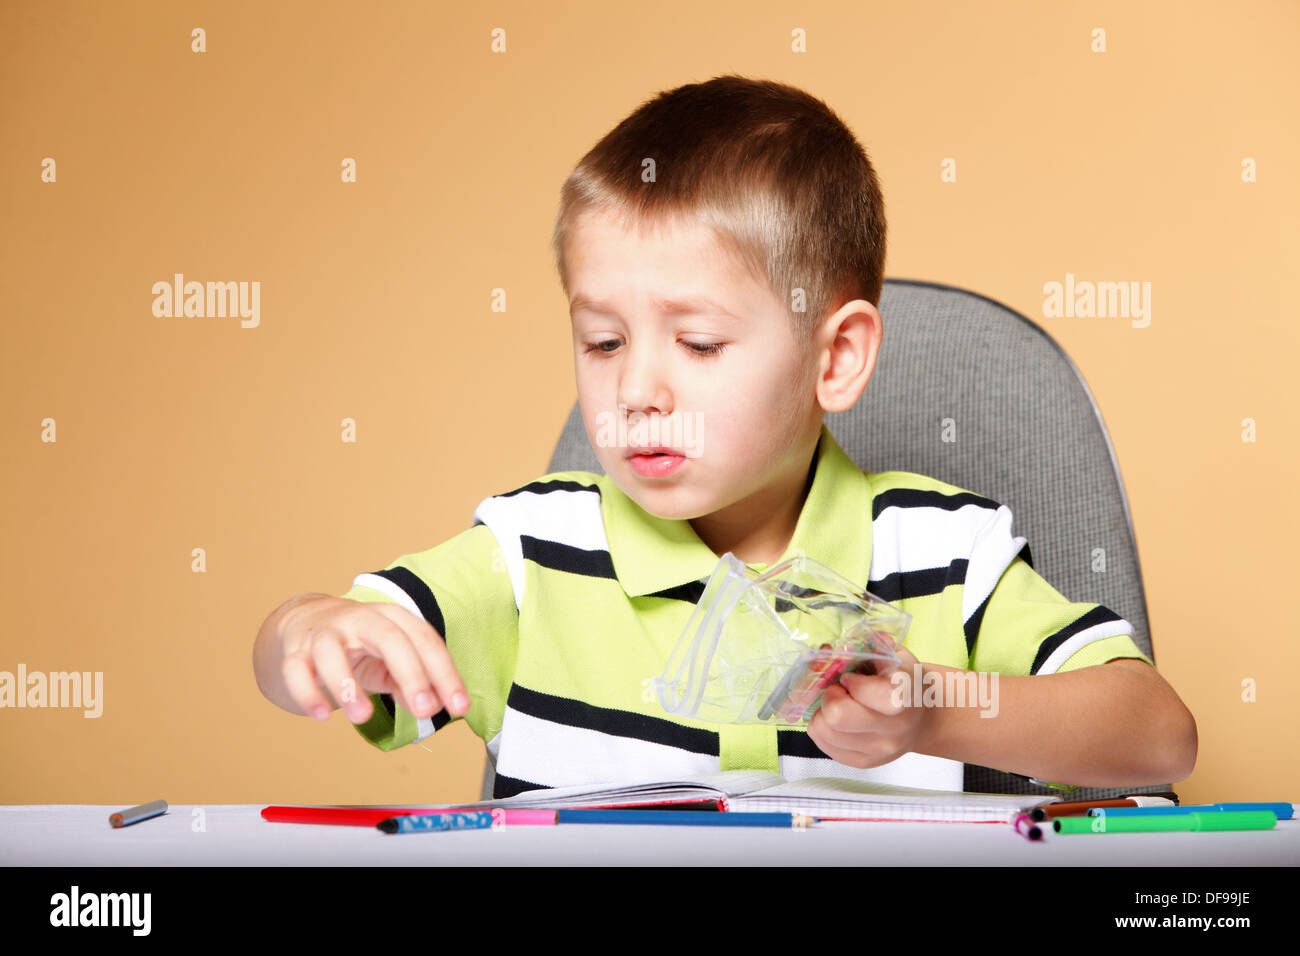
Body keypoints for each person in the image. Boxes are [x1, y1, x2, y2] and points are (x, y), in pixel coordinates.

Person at [252, 74, 1196, 798]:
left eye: (698, 342)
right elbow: (314, 646)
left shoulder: (940, 551)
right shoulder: (531, 552)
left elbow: (1160, 736)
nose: (637, 388)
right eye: (603, 341)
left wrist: (935, 710)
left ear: (836, 360)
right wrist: (308, 625)